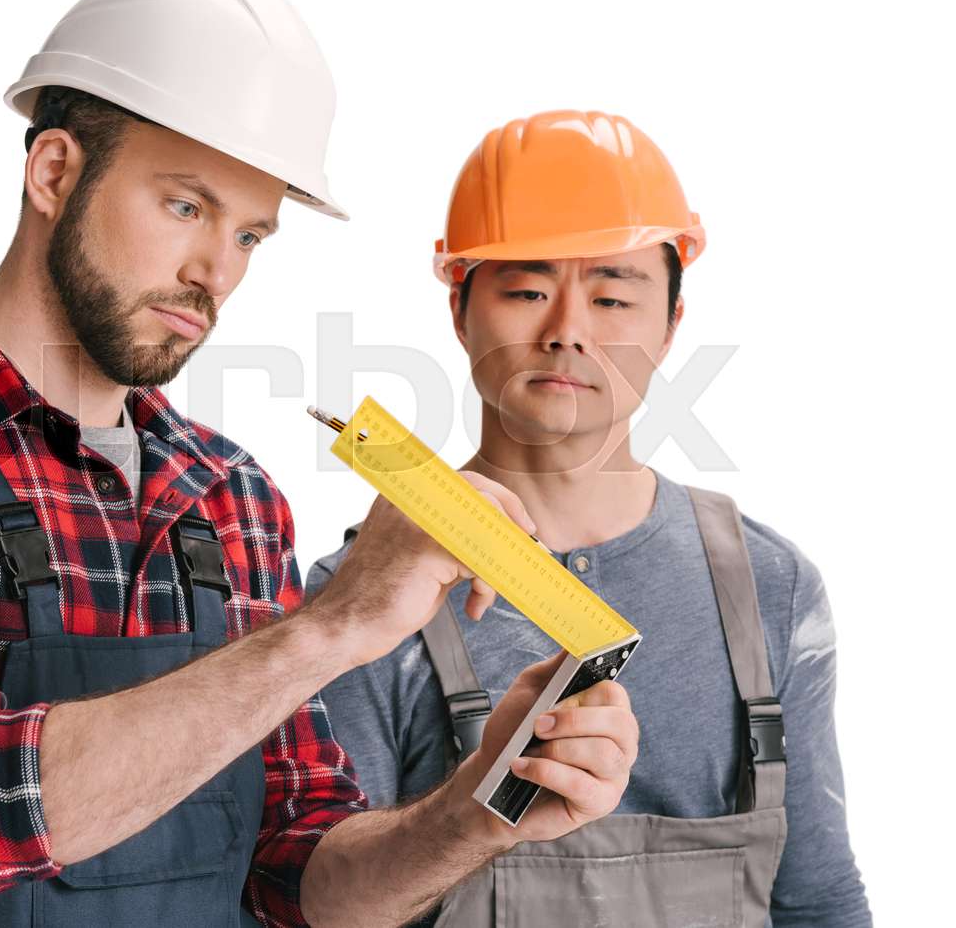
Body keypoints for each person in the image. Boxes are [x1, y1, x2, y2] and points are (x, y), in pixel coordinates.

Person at [0, 0, 639, 927]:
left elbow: (295, 871)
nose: (217, 271)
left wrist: (478, 811)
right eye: (186, 206)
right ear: (54, 172)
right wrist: (329, 628)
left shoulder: (232, 498)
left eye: (252, 235)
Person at [306, 110, 872, 925]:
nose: (567, 330)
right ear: (459, 310)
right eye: (528, 289)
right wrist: (469, 815)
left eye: (612, 296)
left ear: (672, 323)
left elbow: (818, 900)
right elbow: (312, 903)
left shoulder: (768, 589)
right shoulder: (363, 597)